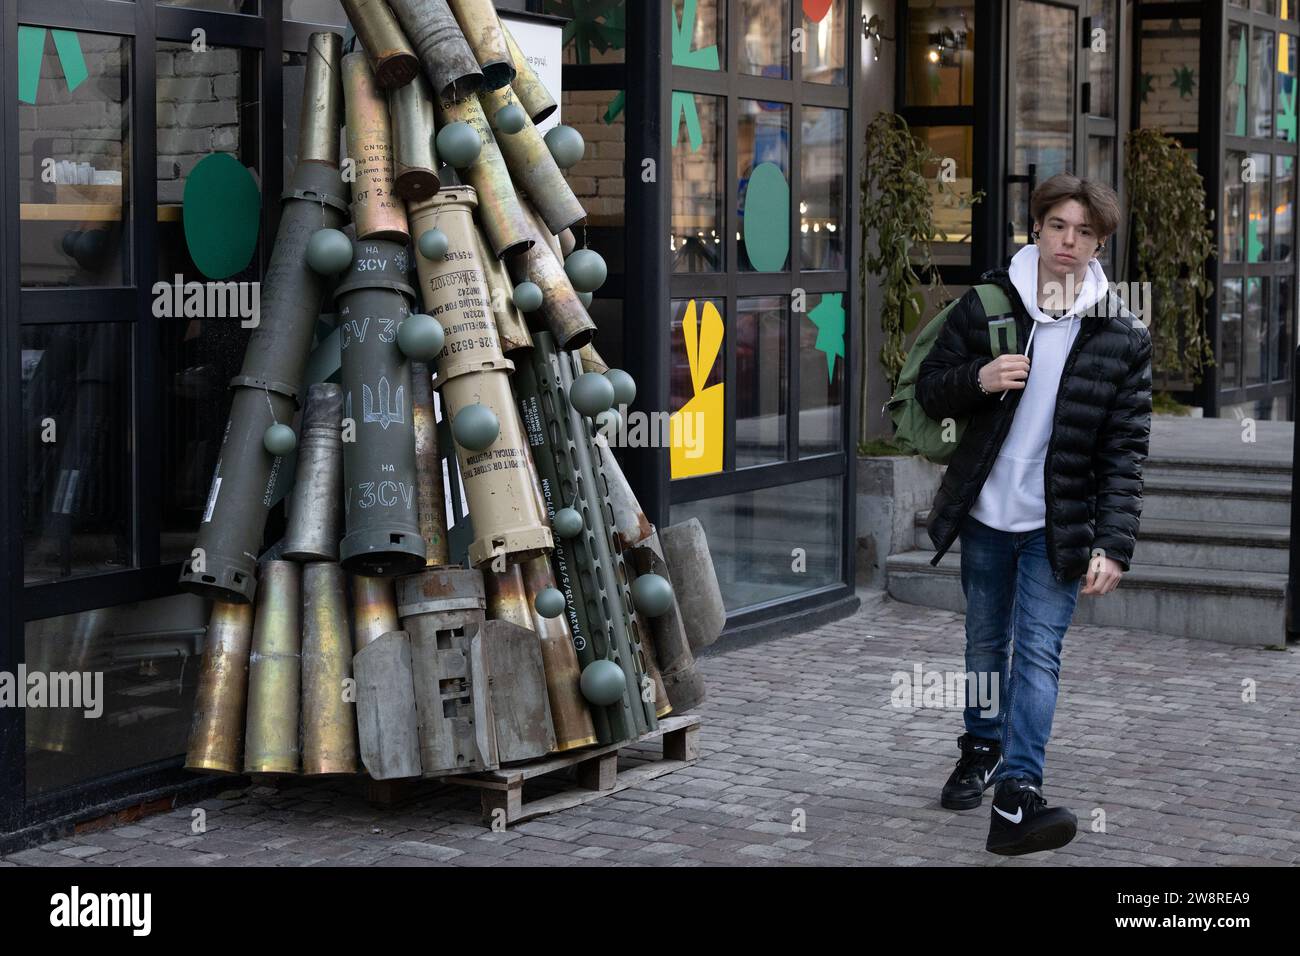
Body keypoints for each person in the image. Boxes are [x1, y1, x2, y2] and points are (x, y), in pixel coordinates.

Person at [915, 174, 1152, 856]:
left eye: (1085, 232)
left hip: (1059, 525)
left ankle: (1019, 794)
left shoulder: (1120, 336)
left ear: (1100, 243)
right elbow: (930, 392)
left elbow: (1125, 452)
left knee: (1039, 654)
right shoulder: (990, 302)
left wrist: (1114, 543)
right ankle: (981, 749)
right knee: (986, 645)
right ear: (1037, 229)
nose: (1068, 242)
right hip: (987, 516)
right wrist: (978, 379)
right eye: (1058, 226)